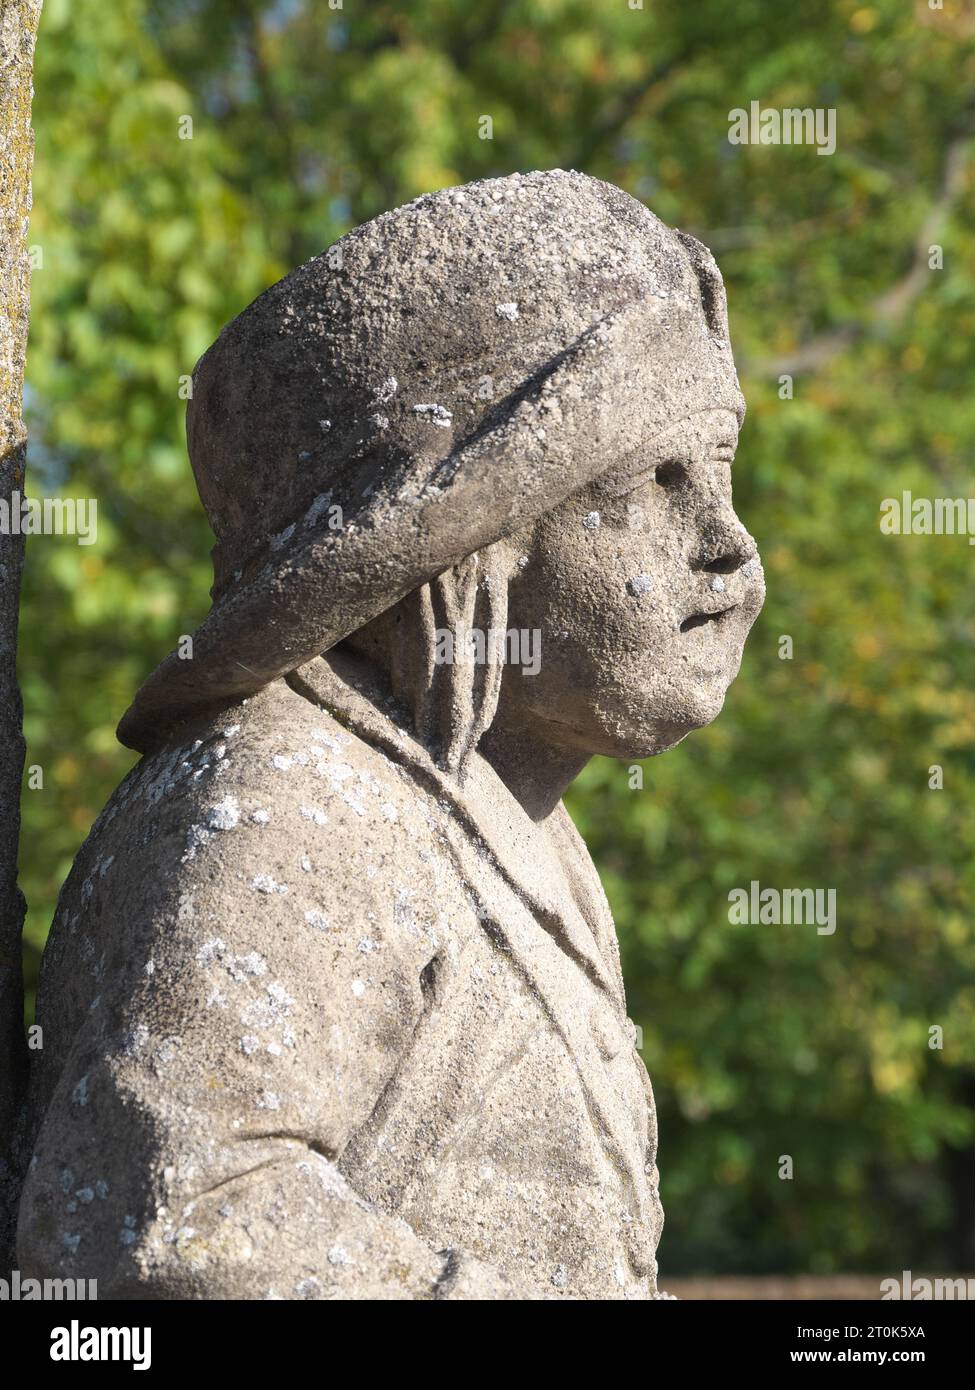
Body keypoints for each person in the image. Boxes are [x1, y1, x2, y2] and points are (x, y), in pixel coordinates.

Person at [16, 169, 763, 1299]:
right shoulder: (284, 802)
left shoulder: (512, 821)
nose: (729, 547)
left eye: (720, 475)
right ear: (467, 543)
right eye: (651, 483)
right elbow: (166, 1220)